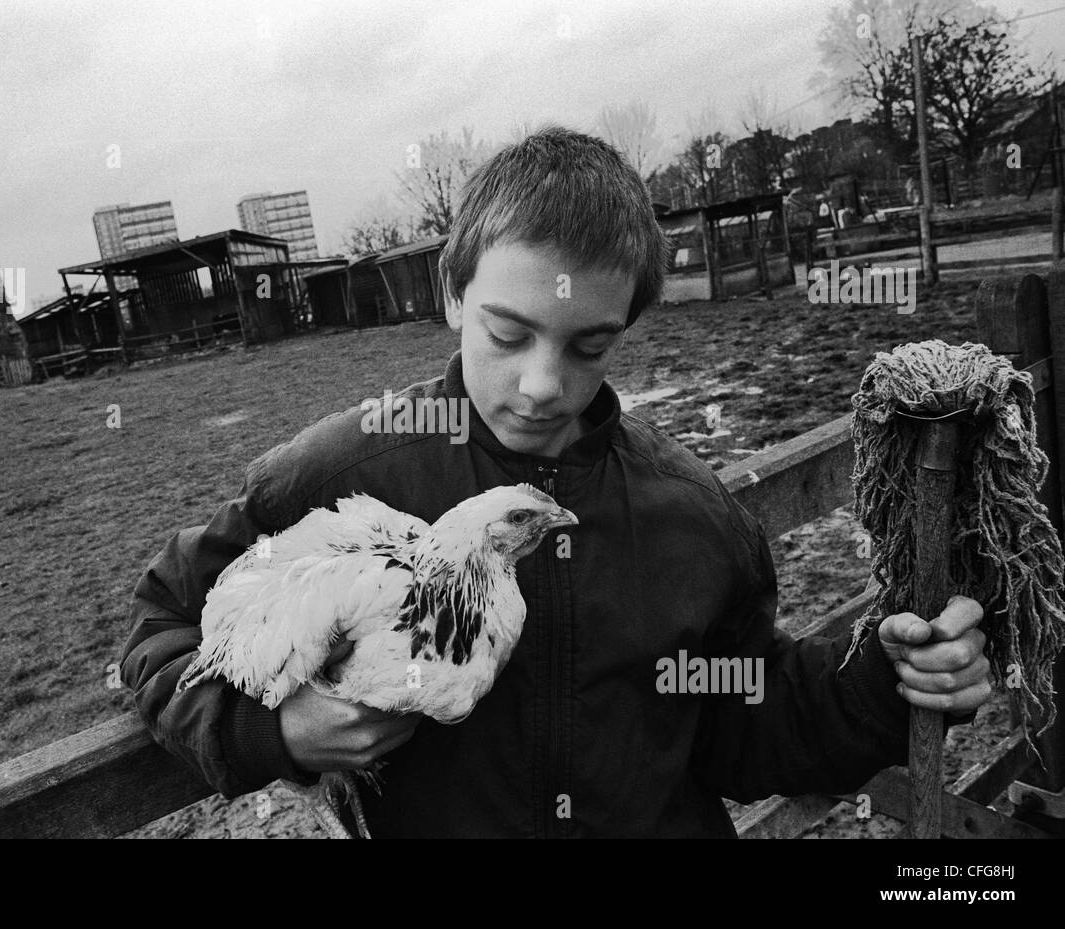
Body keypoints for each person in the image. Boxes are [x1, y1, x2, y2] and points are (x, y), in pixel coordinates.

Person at [119, 126, 992, 838]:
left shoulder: (690, 513)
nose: (543, 385)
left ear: (629, 326)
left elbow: (739, 717)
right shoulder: (340, 472)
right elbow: (162, 622)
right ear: (453, 293)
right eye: (508, 333)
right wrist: (272, 731)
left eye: (589, 346)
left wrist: (891, 684)